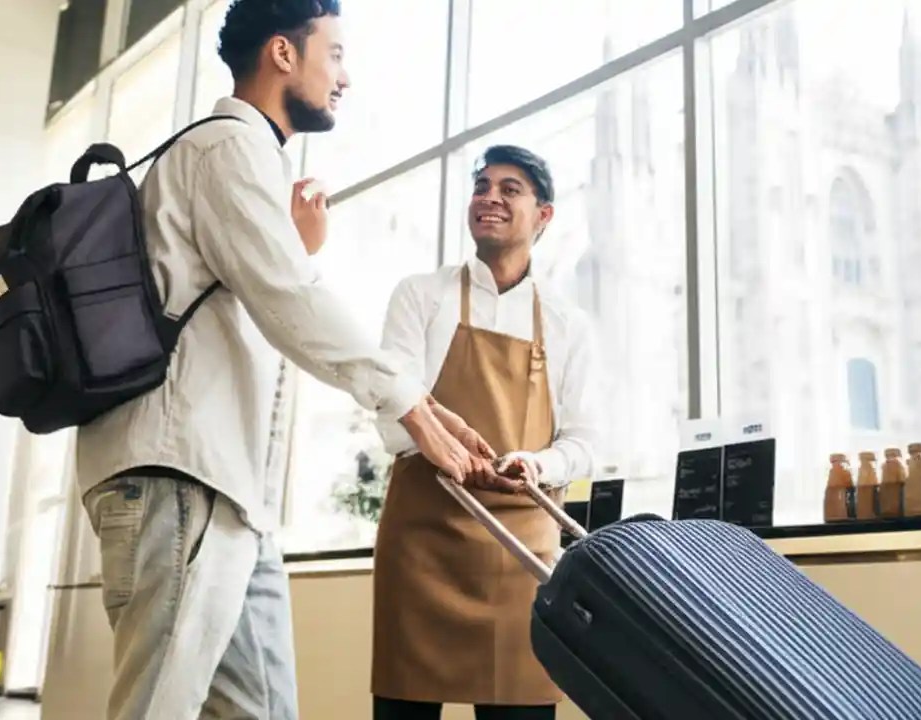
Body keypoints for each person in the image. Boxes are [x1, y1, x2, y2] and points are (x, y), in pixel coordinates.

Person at [74, 2, 493, 718]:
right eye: (334, 55)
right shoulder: (225, 150)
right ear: (283, 54)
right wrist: (412, 405)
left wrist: (293, 251)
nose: (346, 77)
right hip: (183, 479)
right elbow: (291, 297)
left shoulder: (244, 161)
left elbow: (258, 292)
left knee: (262, 711)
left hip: (230, 494)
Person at [371, 145, 602, 720]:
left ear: (543, 215)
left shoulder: (570, 324)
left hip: (519, 552)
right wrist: (444, 447)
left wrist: (536, 465)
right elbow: (389, 410)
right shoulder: (419, 296)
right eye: (481, 186)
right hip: (423, 542)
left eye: (510, 189)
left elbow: (586, 441)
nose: (489, 198)